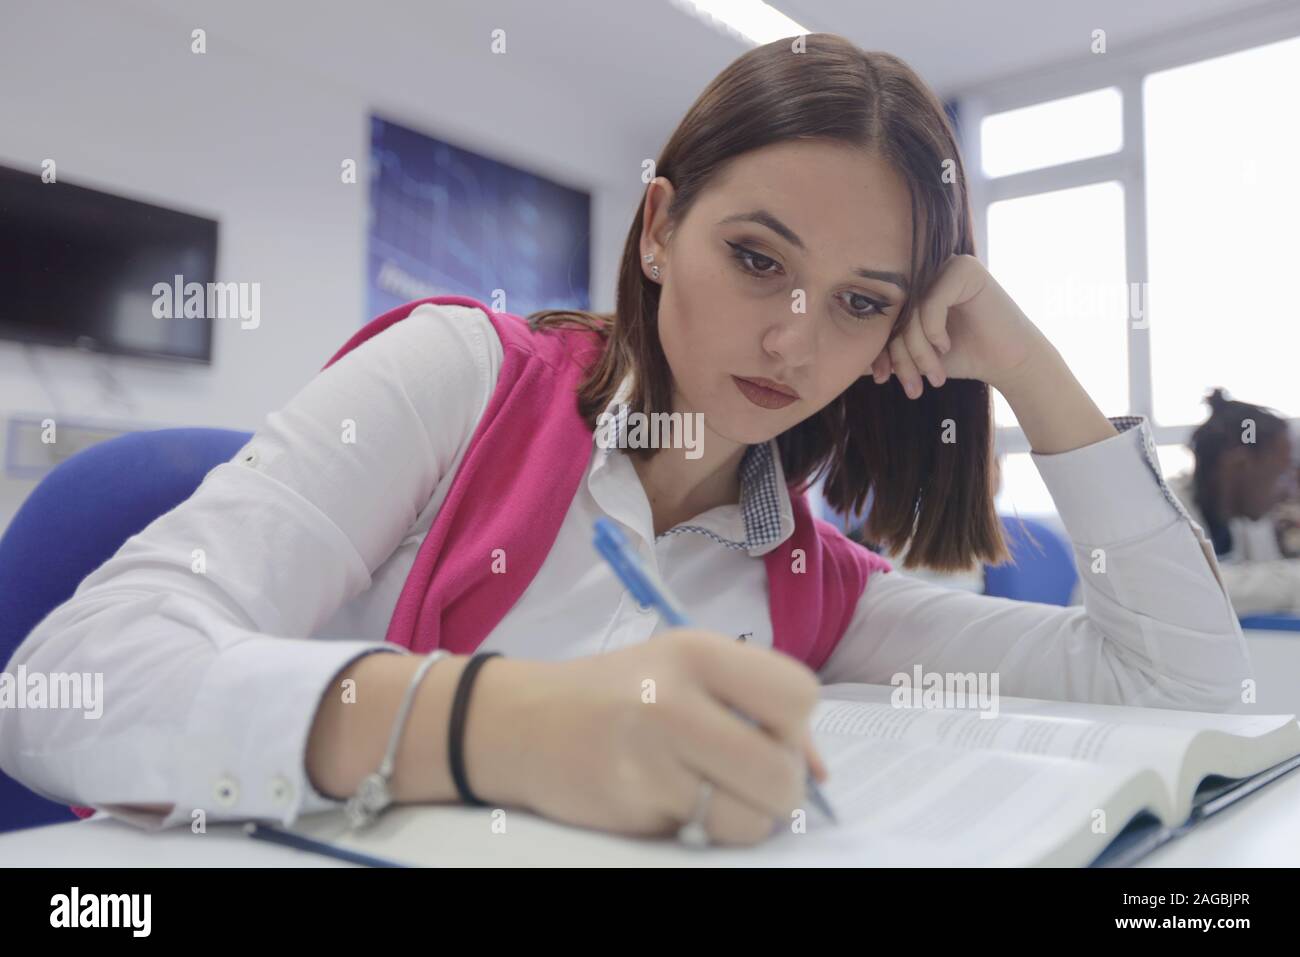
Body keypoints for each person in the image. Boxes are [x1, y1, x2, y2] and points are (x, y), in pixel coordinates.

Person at [0, 34, 1253, 848]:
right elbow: (73, 680)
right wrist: (501, 725)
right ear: (658, 231)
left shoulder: (817, 588)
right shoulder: (462, 378)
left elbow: (1184, 687)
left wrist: (1034, 371)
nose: (792, 340)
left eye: (860, 302)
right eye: (755, 259)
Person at [1167, 388, 1300, 615]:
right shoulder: (1163, 512)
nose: (1289, 492)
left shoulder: (1250, 522)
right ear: (1240, 465)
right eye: (1281, 475)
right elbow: (1189, 590)